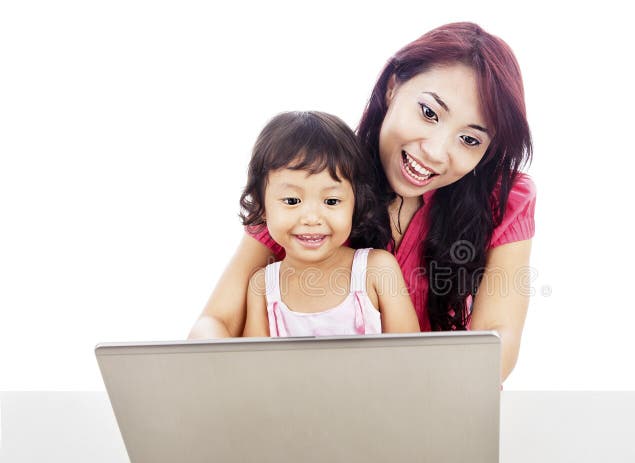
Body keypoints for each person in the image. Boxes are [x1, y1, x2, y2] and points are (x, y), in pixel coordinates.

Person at [190, 22, 535, 382]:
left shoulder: (505, 198)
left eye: (469, 139)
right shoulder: (319, 178)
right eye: (429, 113)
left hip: (424, 402)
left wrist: (440, 397)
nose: (435, 152)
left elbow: (497, 335)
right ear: (392, 86)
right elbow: (217, 321)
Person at [239, 111, 419, 336]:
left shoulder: (377, 270)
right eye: (292, 201)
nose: (312, 218)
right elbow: (254, 366)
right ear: (261, 205)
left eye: (331, 201)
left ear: (355, 203)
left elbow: (410, 357)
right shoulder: (264, 287)